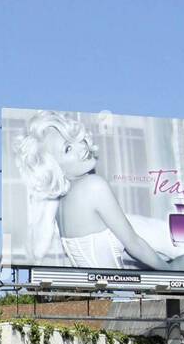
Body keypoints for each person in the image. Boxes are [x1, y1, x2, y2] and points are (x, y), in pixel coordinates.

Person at [14, 111, 174, 270]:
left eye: (76, 138)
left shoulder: (62, 201)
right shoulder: (93, 186)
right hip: (110, 286)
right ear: (54, 168)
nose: (82, 146)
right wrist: (172, 273)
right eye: (68, 148)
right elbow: (134, 245)